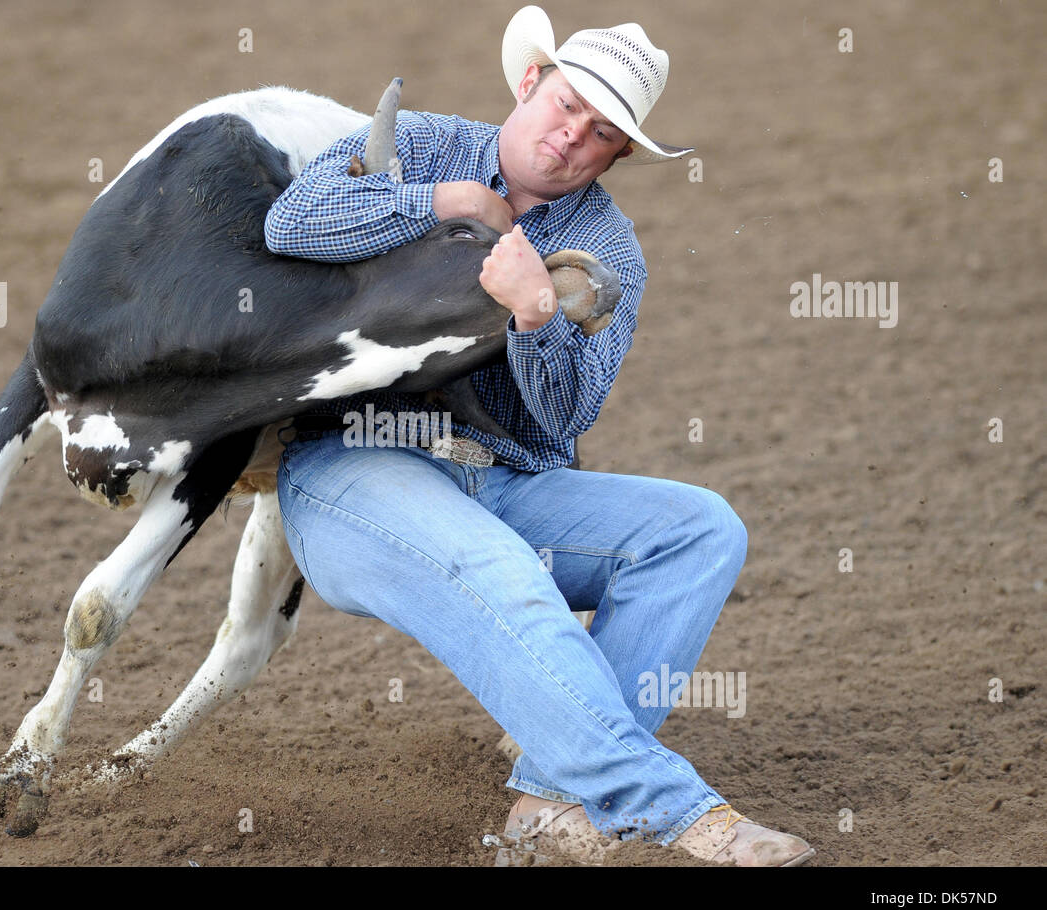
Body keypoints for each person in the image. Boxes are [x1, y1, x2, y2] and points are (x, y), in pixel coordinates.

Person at [263, 5, 815, 866]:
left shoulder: (611, 250)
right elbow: (291, 224)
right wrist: (443, 202)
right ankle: (677, 811)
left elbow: (564, 418)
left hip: (504, 481)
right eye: (565, 106)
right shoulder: (422, 144)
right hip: (353, 466)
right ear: (530, 83)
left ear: (619, 155)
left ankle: (551, 808)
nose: (569, 139)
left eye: (599, 134)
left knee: (702, 529)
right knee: (501, 569)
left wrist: (534, 314)